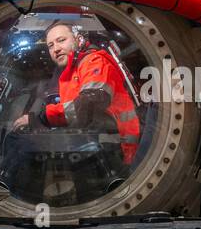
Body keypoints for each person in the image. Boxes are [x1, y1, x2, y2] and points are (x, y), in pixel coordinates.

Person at [11, 22, 141, 163]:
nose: (56, 49)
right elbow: (73, 114)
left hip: (115, 148)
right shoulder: (74, 69)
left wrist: (41, 118)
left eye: (61, 40)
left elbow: (88, 105)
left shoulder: (94, 61)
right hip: (96, 143)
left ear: (79, 40)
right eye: (51, 45)